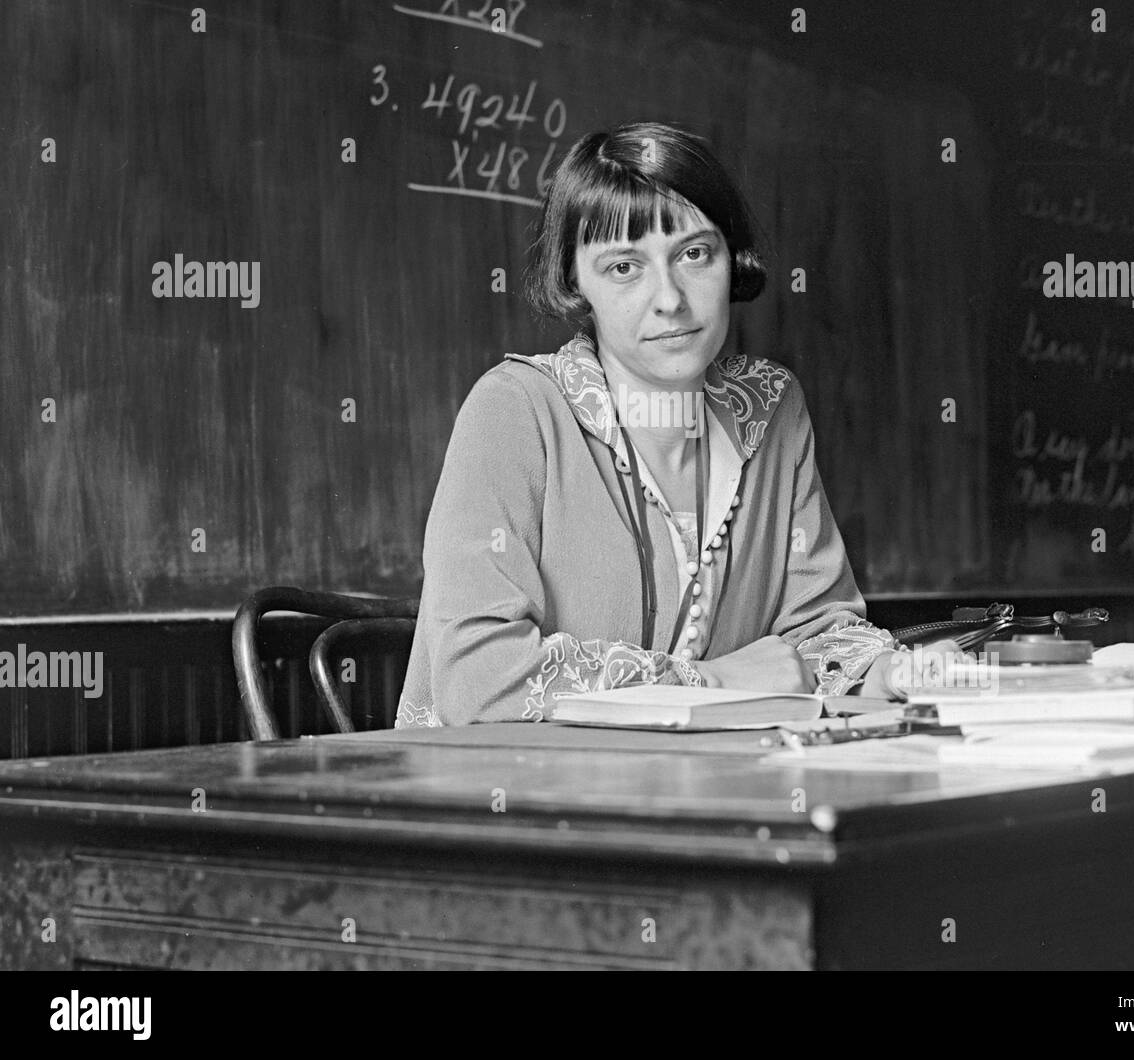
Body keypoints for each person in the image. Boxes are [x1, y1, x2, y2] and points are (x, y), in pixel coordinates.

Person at [396, 122, 953, 727]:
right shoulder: (514, 412)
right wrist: (709, 682)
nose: (670, 299)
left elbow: (817, 627)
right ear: (573, 281)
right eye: (624, 267)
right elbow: (479, 683)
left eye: (694, 253)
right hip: (509, 801)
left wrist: (887, 672)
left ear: (730, 256)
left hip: (701, 792)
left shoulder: (769, 406)